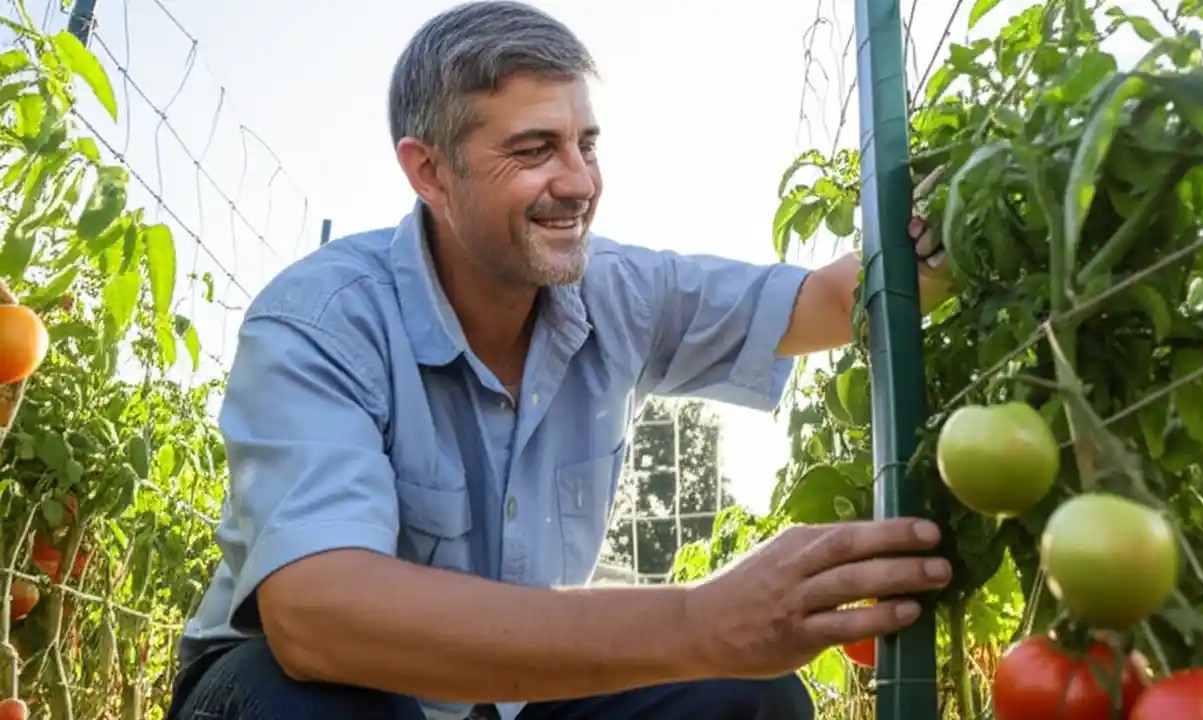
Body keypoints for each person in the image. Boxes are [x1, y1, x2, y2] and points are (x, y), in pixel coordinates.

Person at [163, 2, 954, 719]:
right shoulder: (323, 320)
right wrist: (699, 621)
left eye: (586, 144)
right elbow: (317, 616)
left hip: (504, 703)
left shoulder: (619, 293)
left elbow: (821, 300)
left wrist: (961, 223)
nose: (577, 182)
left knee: (751, 699)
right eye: (534, 149)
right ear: (429, 170)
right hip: (300, 687)